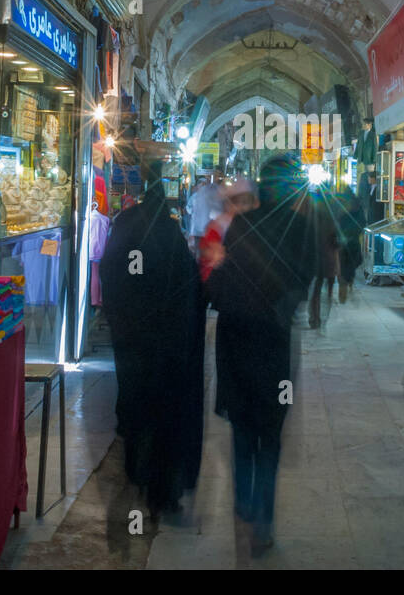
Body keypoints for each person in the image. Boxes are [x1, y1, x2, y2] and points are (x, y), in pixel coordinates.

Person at [207, 155, 316, 555]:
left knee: (242, 427)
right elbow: (304, 279)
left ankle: (244, 503)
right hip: (272, 344)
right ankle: (263, 520)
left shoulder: (242, 224)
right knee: (269, 434)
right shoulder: (299, 228)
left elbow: (223, 281)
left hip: (237, 341)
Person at [99, 160, 207, 518]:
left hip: (131, 338)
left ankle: (136, 470)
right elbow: (186, 288)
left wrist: (120, 318)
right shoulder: (169, 234)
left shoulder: (127, 224)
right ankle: (162, 490)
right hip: (164, 343)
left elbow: (114, 272)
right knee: (165, 413)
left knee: (135, 401)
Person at [198, 176, 257, 283]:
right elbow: (207, 249)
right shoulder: (219, 224)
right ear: (227, 204)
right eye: (236, 202)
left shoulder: (251, 224)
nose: (240, 207)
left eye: (245, 203)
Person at [308, 186, 340, 328]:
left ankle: (315, 318)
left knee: (316, 289)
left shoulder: (311, 214)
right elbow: (336, 239)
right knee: (327, 289)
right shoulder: (331, 215)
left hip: (316, 256)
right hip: (328, 257)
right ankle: (321, 318)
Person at [336, 185, 367, 303]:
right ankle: (349, 280)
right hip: (353, 240)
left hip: (343, 240)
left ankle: (343, 282)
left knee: (343, 262)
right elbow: (362, 222)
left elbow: (337, 221)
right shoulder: (357, 206)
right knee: (353, 261)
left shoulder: (340, 205)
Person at [186, 173, 224, 251]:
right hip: (200, 232)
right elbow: (189, 209)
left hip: (203, 231)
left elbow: (190, 211)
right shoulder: (196, 196)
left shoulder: (206, 196)